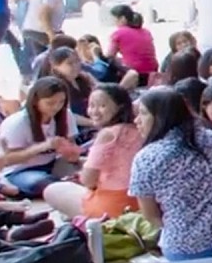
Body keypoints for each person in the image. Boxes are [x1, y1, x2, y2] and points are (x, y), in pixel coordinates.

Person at [129, 87, 212, 261]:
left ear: (160, 117)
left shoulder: (147, 158)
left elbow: (151, 215)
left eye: (143, 113)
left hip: (182, 249)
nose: (136, 120)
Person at [43, 84, 141, 218]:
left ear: (120, 107)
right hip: (139, 205)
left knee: (52, 190)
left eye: (102, 106)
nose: (94, 111)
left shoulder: (108, 134)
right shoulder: (139, 129)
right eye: (91, 105)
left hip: (113, 207)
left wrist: (82, 172)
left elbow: (88, 180)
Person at [19, 0, 80, 72]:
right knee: (45, 64)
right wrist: (52, 36)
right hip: (40, 33)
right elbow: (44, 16)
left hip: (38, 31)